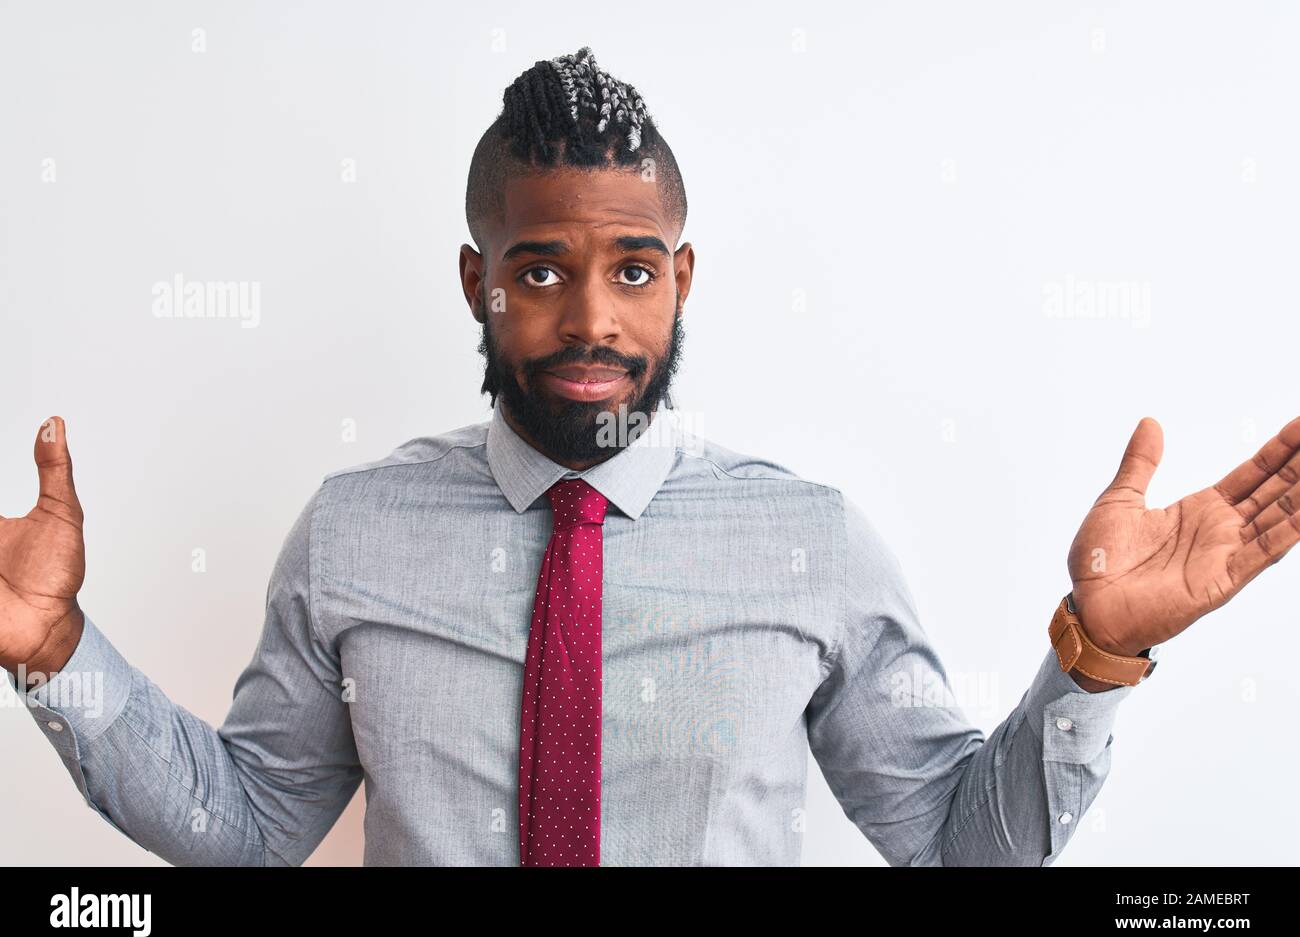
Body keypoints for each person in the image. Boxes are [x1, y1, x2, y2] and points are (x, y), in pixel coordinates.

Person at [4, 46, 1298, 867]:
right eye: (539, 269)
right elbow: (247, 829)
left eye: (631, 269)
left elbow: (962, 848)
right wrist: (57, 650)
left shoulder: (812, 545)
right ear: (478, 281)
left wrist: (1098, 651)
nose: (590, 319)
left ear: (678, 277)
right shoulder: (354, 532)